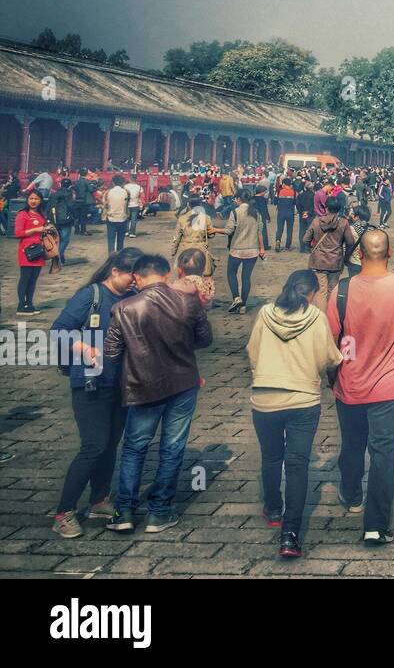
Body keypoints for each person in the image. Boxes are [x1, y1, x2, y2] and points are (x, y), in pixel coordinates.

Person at [327, 230, 394, 547]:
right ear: (391, 251)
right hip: (389, 387)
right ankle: (376, 525)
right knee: (384, 454)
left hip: (349, 383)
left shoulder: (341, 291)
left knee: (352, 444)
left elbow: (330, 338)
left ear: (359, 255)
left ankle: (351, 492)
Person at [105, 253, 213, 535]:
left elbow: (112, 353)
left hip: (142, 385)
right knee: (172, 448)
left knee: (134, 448)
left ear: (138, 278)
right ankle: (159, 513)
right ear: (167, 275)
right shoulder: (187, 301)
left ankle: (124, 511)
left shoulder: (124, 307)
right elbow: (204, 339)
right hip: (182, 383)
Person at [247, 268, 344, 559]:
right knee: (298, 464)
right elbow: (328, 357)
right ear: (312, 293)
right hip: (302, 399)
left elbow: (253, 351)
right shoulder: (316, 317)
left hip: (265, 397)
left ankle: (273, 507)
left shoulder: (265, 313)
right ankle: (290, 535)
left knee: (271, 456)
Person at [50, 248, 141, 539]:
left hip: (120, 382)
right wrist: (85, 348)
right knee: (94, 445)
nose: (134, 281)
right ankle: (64, 513)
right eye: (130, 275)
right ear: (115, 271)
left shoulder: (131, 296)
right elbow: (59, 330)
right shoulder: (91, 296)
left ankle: (99, 500)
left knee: (110, 444)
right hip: (90, 381)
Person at [216, 187, 265, 312]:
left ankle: (236, 298)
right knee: (246, 277)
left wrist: (215, 229)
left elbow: (228, 230)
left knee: (231, 273)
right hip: (253, 250)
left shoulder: (235, 212)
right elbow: (260, 232)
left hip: (237, 249)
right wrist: (262, 249)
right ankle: (243, 306)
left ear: (239, 199)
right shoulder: (256, 213)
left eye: (236, 199)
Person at [304, 196, 357, 302]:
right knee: (332, 291)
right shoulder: (343, 222)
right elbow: (350, 242)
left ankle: (321, 315)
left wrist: (313, 247)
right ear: (338, 209)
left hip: (318, 261)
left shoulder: (316, 221)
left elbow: (305, 239)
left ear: (326, 208)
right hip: (335, 261)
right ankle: (331, 315)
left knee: (320, 291)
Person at [14, 189, 54, 312]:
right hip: (26, 252)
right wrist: (36, 229)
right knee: (25, 278)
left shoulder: (42, 215)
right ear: (27, 200)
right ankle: (22, 305)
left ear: (40, 200)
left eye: (36, 199)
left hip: (39, 251)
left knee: (33, 280)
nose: (33, 201)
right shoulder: (23, 214)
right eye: (31, 198)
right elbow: (18, 233)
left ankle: (29, 304)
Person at [103, 175, 129, 253]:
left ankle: (111, 258)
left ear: (113, 182)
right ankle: (119, 258)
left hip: (111, 219)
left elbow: (105, 205)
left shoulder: (108, 192)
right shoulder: (126, 192)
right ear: (123, 183)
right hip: (123, 218)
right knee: (120, 241)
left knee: (111, 240)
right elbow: (127, 205)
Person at [274, 176, 297, 252]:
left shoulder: (280, 191)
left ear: (284, 184)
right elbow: (295, 202)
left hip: (281, 212)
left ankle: (278, 242)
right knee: (289, 230)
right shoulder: (293, 192)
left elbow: (275, 202)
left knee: (280, 228)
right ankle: (288, 245)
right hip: (290, 212)